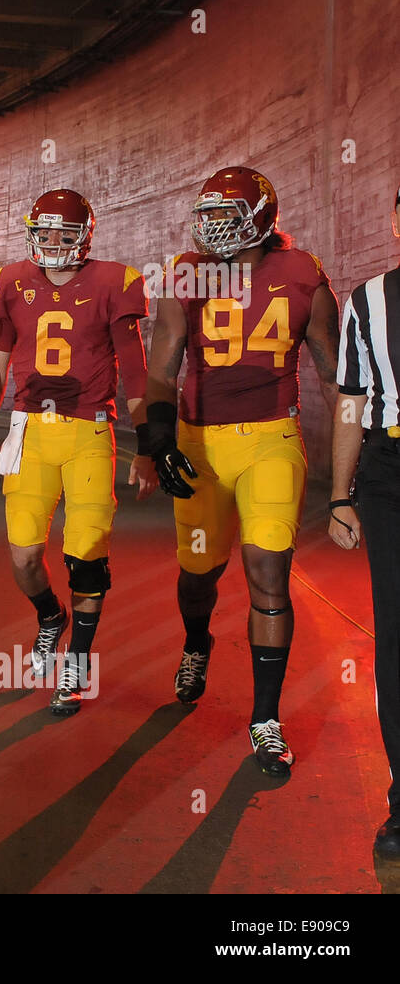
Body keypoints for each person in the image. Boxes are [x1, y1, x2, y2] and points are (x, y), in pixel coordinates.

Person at [143, 166, 340, 777]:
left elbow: (334, 375)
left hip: (270, 440)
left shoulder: (303, 274)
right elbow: (161, 368)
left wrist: (366, 452)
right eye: (208, 218)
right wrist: (157, 438)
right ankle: (197, 641)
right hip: (201, 441)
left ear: (261, 218)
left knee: (268, 572)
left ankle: (265, 718)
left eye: (227, 217)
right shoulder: (187, 273)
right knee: (198, 570)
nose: (214, 229)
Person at [0, 189, 156, 716]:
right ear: (32, 231)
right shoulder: (10, 284)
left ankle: (76, 662)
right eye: (44, 231)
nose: (53, 242)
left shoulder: (112, 283)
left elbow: (137, 370)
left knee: (87, 555)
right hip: (30, 430)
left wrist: (147, 442)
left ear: (84, 236)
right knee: (25, 556)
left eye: (64, 232)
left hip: (90, 432)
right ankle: (50, 616)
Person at [328, 185, 400, 857]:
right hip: (391, 474)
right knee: (397, 639)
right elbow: (352, 400)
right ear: (396, 220)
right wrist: (340, 494)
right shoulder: (367, 301)